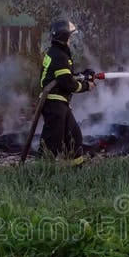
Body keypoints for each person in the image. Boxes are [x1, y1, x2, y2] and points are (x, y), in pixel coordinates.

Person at [39, 18, 95, 163]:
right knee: (53, 141)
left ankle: (75, 169)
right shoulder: (60, 56)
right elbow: (67, 83)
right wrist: (86, 86)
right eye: (70, 36)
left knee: (74, 136)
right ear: (64, 36)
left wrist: (83, 76)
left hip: (59, 103)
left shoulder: (57, 53)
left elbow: (63, 77)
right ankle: (42, 172)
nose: (71, 39)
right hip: (53, 103)